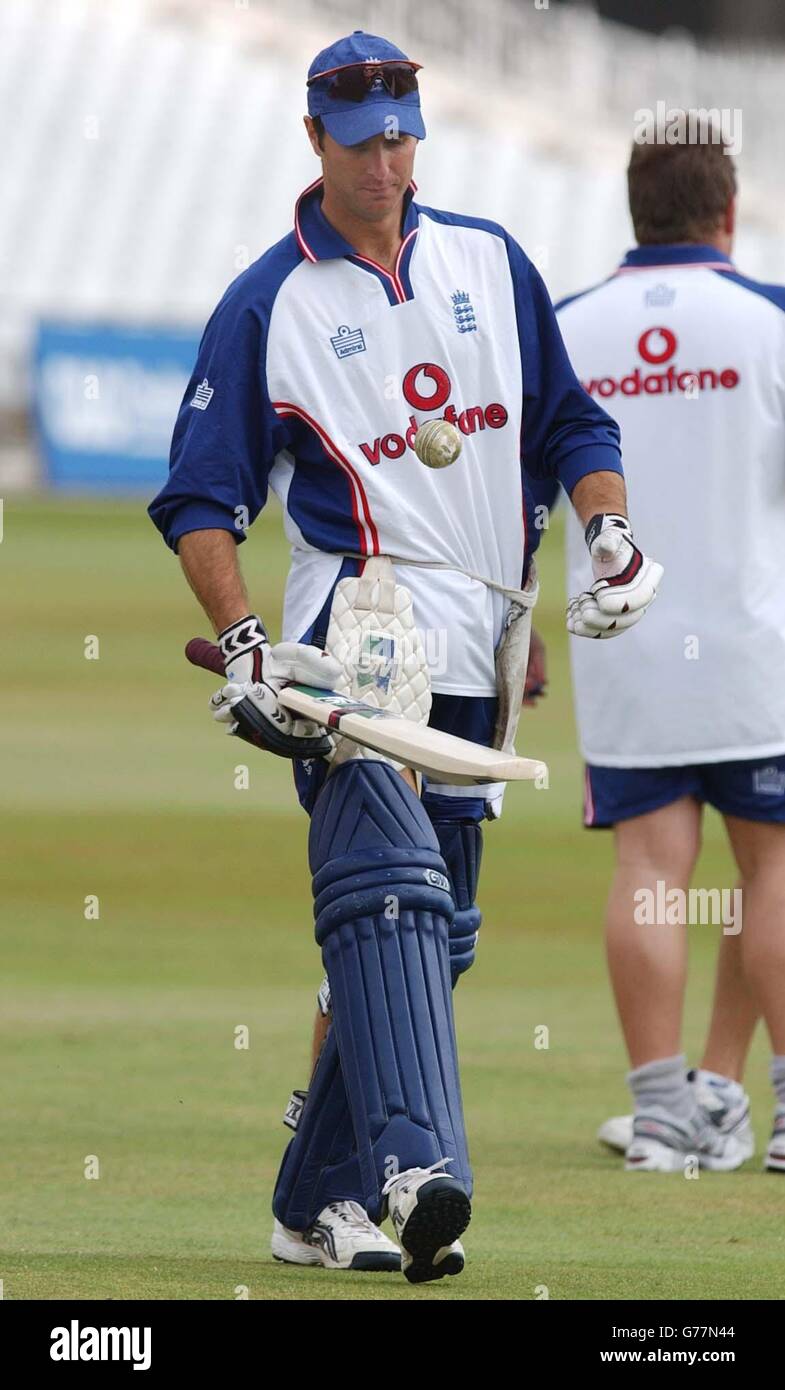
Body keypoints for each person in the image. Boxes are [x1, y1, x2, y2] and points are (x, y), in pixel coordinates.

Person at [148, 29, 661, 1282]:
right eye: (361, 139)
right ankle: (419, 1172)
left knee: (433, 936)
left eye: (400, 137)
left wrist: (608, 538)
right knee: (386, 898)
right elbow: (199, 500)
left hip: (478, 652)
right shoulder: (268, 298)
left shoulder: (489, 260)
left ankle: (308, 1203)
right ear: (314, 139)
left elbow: (568, 424)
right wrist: (256, 648)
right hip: (351, 647)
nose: (385, 162)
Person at [552, 119, 785, 1173]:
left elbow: (523, 493)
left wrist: (521, 642)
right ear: (726, 213)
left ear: (634, 212)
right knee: (768, 867)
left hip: (624, 636)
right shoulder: (767, 316)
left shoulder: (567, 325)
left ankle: (664, 1114)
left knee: (651, 868)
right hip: (753, 640)